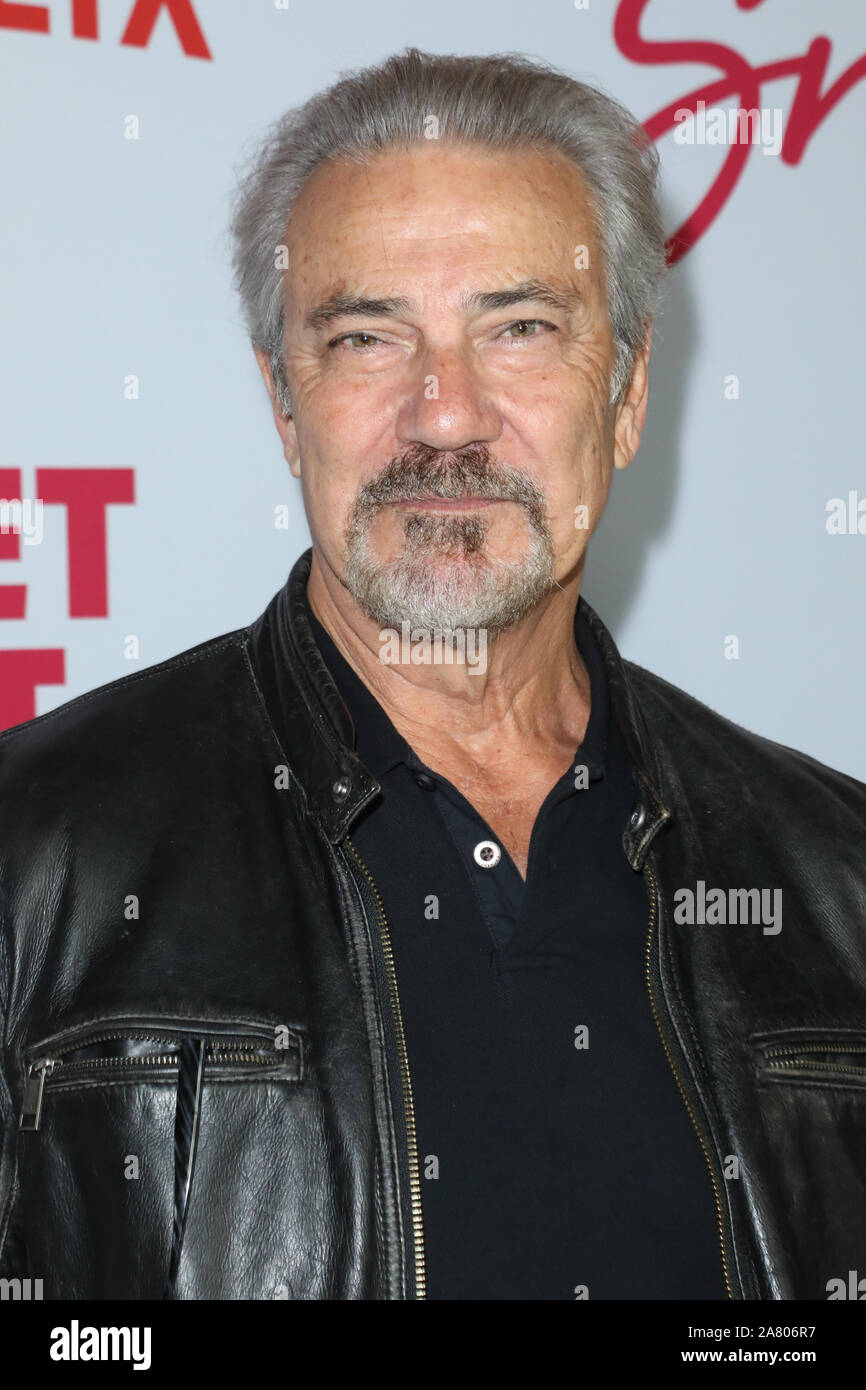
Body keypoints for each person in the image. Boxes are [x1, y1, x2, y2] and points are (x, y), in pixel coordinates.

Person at [1, 47, 864, 1302]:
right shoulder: (34, 854)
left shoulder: (835, 882)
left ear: (624, 395)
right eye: (366, 335)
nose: (444, 414)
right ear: (285, 407)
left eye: (518, 328)